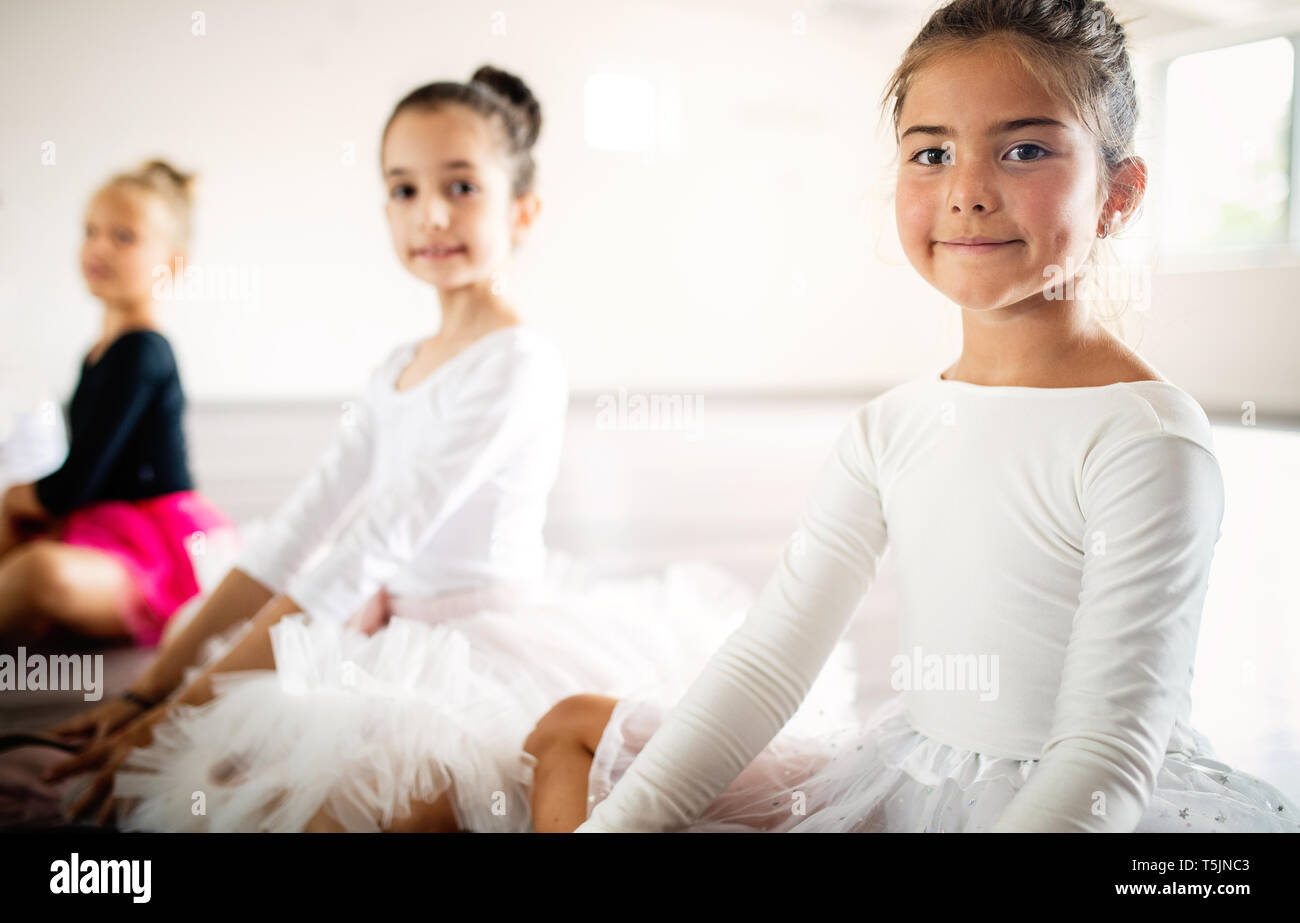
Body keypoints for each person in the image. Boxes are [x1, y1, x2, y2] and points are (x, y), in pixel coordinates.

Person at [526, 0, 1300, 833]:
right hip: (913, 773)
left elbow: (1103, 755)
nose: (967, 191)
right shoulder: (891, 425)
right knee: (571, 729)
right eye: (931, 152)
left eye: (1025, 149)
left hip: (1083, 809)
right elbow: (767, 662)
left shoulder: (1145, 438)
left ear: (1120, 191)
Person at [42, 66, 857, 833]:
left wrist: (177, 717)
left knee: (341, 809)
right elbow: (298, 529)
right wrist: (153, 693)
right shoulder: (397, 366)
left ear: (522, 211)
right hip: (383, 636)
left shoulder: (517, 362)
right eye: (405, 189)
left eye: (460, 187)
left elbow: (370, 544)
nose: (431, 213)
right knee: (232, 782)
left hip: (484, 650)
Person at [0, 160, 233, 648]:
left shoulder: (143, 351)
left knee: (42, 572)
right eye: (91, 231)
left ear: (171, 265)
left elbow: (72, 483)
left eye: (123, 237)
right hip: (103, 523)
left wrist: (18, 497)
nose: (99, 246)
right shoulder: (97, 353)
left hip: (155, 549)